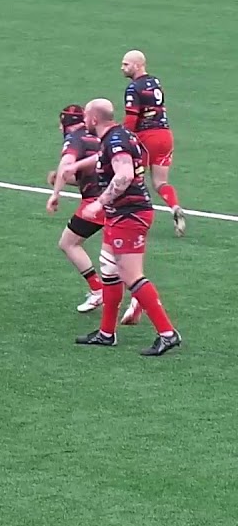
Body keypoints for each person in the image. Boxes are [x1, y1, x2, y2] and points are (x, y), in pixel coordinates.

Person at [75, 99, 181, 356]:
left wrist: (98, 203)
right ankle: (106, 333)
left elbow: (124, 175)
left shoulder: (115, 140)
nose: (83, 121)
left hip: (129, 214)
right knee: (109, 269)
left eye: (85, 116)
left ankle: (168, 334)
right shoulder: (117, 136)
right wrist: (75, 168)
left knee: (131, 275)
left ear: (94, 119)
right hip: (120, 213)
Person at [45, 104, 106, 312]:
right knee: (119, 254)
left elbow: (66, 164)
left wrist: (55, 193)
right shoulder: (98, 136)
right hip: (117, 200)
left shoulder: (75, 138)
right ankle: (136, 298)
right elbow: (90, 175)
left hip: (96, 203)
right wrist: (63, 179)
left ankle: (98, 290)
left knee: (68, 243)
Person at [122, 50, 185, 236]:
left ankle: (134, 217)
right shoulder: (155, 82)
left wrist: (123, 137)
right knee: (160, 182)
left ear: (137, 65)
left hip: (146, 138)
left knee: (132, 179)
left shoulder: (133, 88)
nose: (122, 68)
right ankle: (175, 207)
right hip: (165, 136)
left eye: (126, 64)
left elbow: (131, 119)